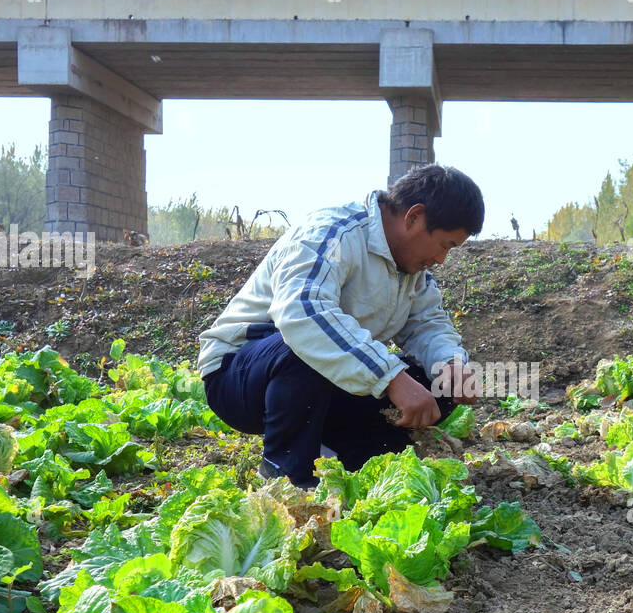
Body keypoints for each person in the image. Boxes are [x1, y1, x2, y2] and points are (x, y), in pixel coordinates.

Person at [197, 164, 483, 487]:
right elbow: (301, 313)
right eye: (445, 245)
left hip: (318, 385)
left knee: (437, 385)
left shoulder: (413, 273)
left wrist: (451, 365)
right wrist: (390, 377)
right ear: (414, 217)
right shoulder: (334, 233)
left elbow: (428, 325)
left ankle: (345, 453)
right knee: (308, 342)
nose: (442, 259)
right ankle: (287, 474)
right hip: (238, 374)